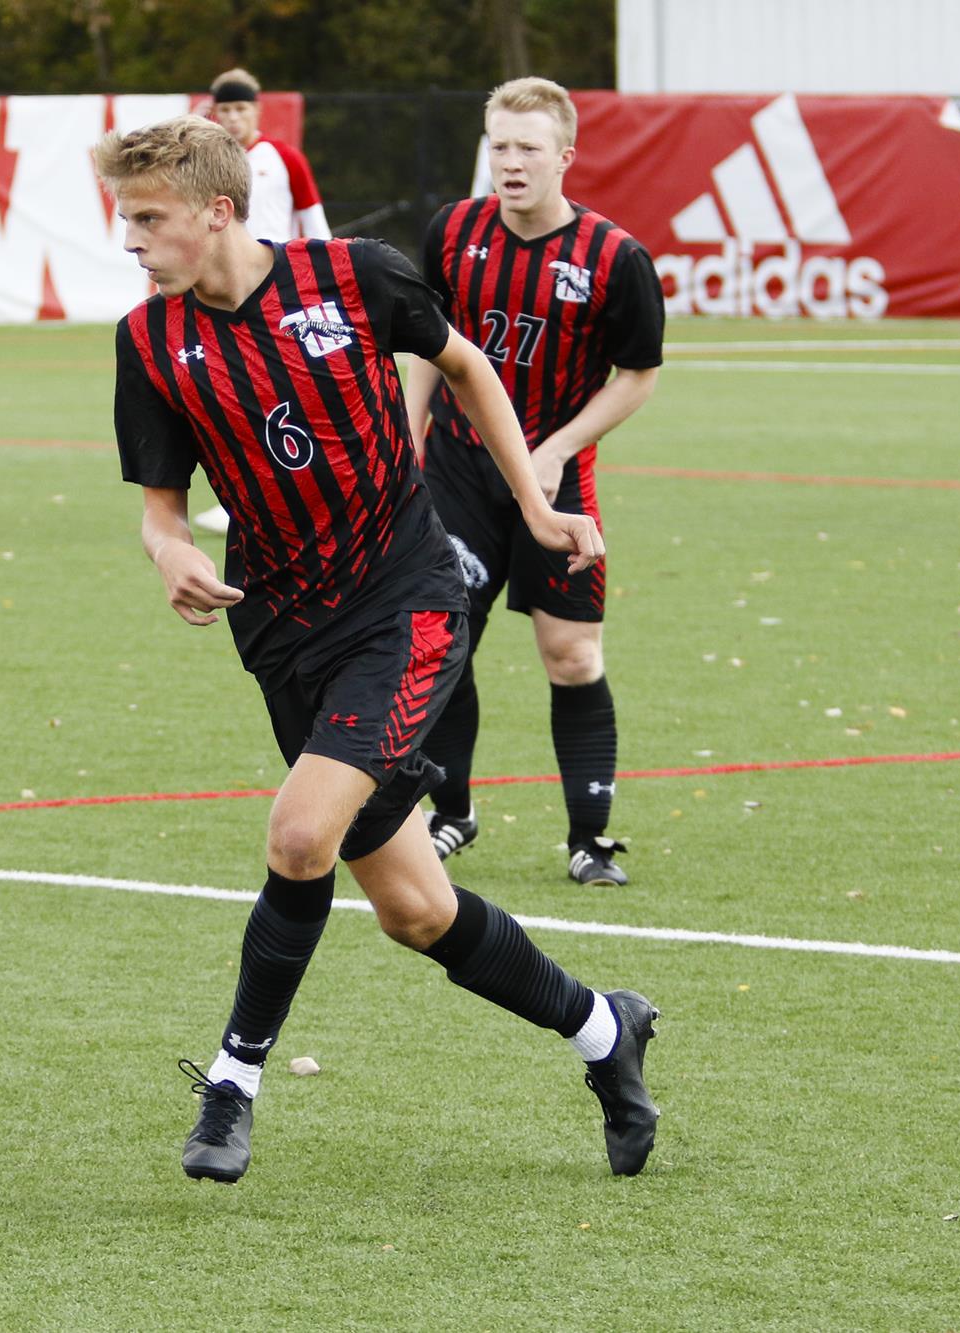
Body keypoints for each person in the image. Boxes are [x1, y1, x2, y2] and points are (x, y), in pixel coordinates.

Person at [95, 116, 658, 1183]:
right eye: (124, 218)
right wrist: (166, 551)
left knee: (299, 835)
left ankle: (232, 1082)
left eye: (146, 219)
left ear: (216, 210)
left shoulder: (354, 276)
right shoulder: (148, 342)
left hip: (406, 608)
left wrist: (534, 505)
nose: (130, 240)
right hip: (280, 631)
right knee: (412, 910)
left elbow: (467, 366)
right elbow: (160, 508)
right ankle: (602, 1029)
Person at [405, 78, 664, 887]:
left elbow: (638, 375)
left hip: (558, 483)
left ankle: (589, 839)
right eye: (500, 146)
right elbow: (421, 342)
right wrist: (408, 432)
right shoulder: (452, 231)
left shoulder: (615, 258)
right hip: (457, 468)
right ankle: (452, 814)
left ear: (565, 157)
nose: (510, 163)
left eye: (528, 148)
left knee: (571, 654)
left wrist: (555, 449)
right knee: (440, 634)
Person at [190, 67, 331, 537]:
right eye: (224, 109)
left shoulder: (283, 157)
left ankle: (306, 486)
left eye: (240, 108)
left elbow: (314, 222)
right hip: (226, 290)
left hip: (281, 286)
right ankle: (241, 498)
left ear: (256, 109)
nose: (232, 118)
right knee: (234, 390)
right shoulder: (205, 164)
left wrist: (323, 279)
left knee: (293, 386)